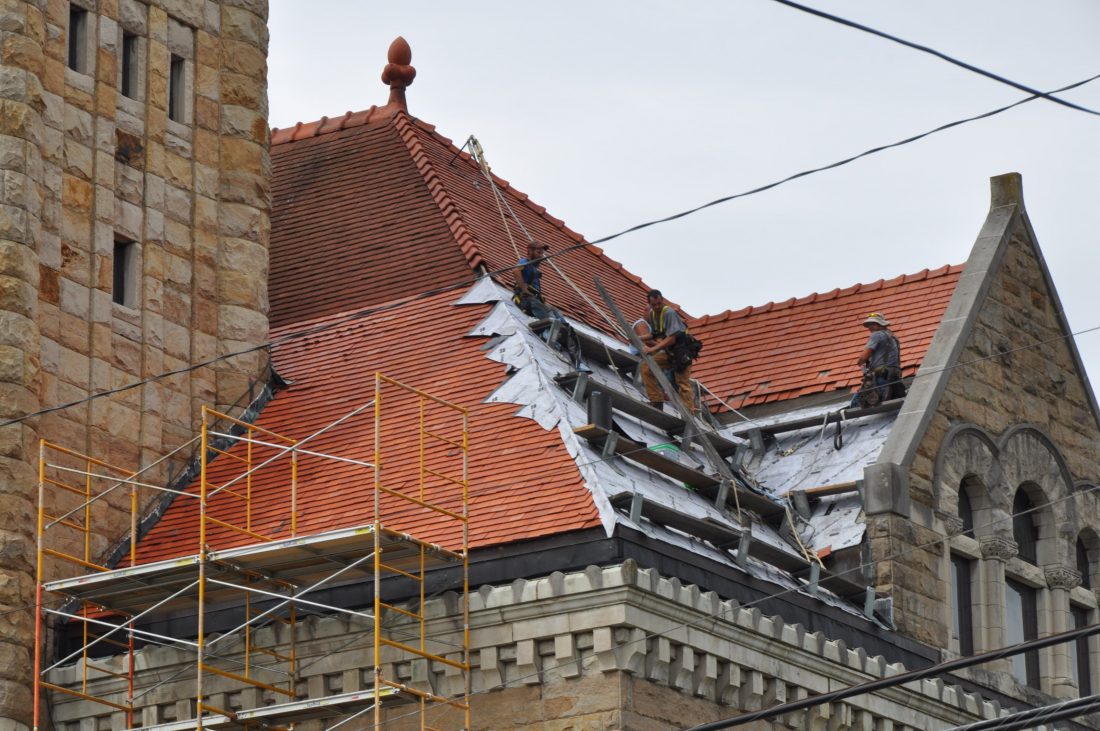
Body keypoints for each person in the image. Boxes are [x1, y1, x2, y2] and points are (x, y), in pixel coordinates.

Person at [640, 289, 695, 410]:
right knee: (646, 367)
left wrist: (652, 348)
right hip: (669, 352)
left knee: (683, 383)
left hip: (682, 352)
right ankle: (656, 401)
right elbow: (655, 334)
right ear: (649, 304)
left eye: (659, 303)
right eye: (654, 305)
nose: (657, 307)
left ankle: (688, 415)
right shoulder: (653, 314)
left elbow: (671, 339)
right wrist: (637, 338)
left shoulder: (669, 313)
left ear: (662, 300)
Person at [852, 312, 903, 407]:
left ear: (881, 324)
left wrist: (860, 362)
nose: (870, 327)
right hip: (893, 377)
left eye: (873, 324)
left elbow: (864, 357)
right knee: (889, 403)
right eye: (868, 325)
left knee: (856, 404)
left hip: (880, 377)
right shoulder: (893, 337)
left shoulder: (877, 335)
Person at [513, 241, 558, 320]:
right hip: (526, 299)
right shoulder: (525, 262)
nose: (541, 256)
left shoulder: (533, 268)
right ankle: (549, 325)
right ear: (530, 251)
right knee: (547, 316)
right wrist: (524, 289)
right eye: (538, 252)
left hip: (534, 299)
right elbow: (516, 271)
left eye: (542, 253)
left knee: (555, 311)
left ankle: (565, 329)